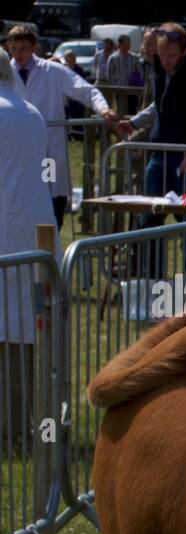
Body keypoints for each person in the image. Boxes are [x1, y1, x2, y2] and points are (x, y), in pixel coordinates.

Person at [0, 48, 60, 446]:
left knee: (11, 333)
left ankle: (11, 427)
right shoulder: (29, 110)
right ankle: (20, 423)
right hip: (28, 227)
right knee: (21, 332)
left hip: (9, 229)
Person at [8, 25, 116, 229]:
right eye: (13, 49)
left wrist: (103, 109)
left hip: (48, 153)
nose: (18, 54)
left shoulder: (53, 71)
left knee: (51, 196)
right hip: (18, 150)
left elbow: (85, 90)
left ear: (34, 47)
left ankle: (51, 248)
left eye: (22, 48)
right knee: (19, 200)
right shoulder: (5, 74)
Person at [117, 24, 186, 203]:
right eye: (161, 54)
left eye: (171, 56)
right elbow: (159, 104)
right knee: (149, 213)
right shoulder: (161, 71)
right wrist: (134, 122)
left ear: (183, 52)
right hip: (159, 154)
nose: (165, 60)